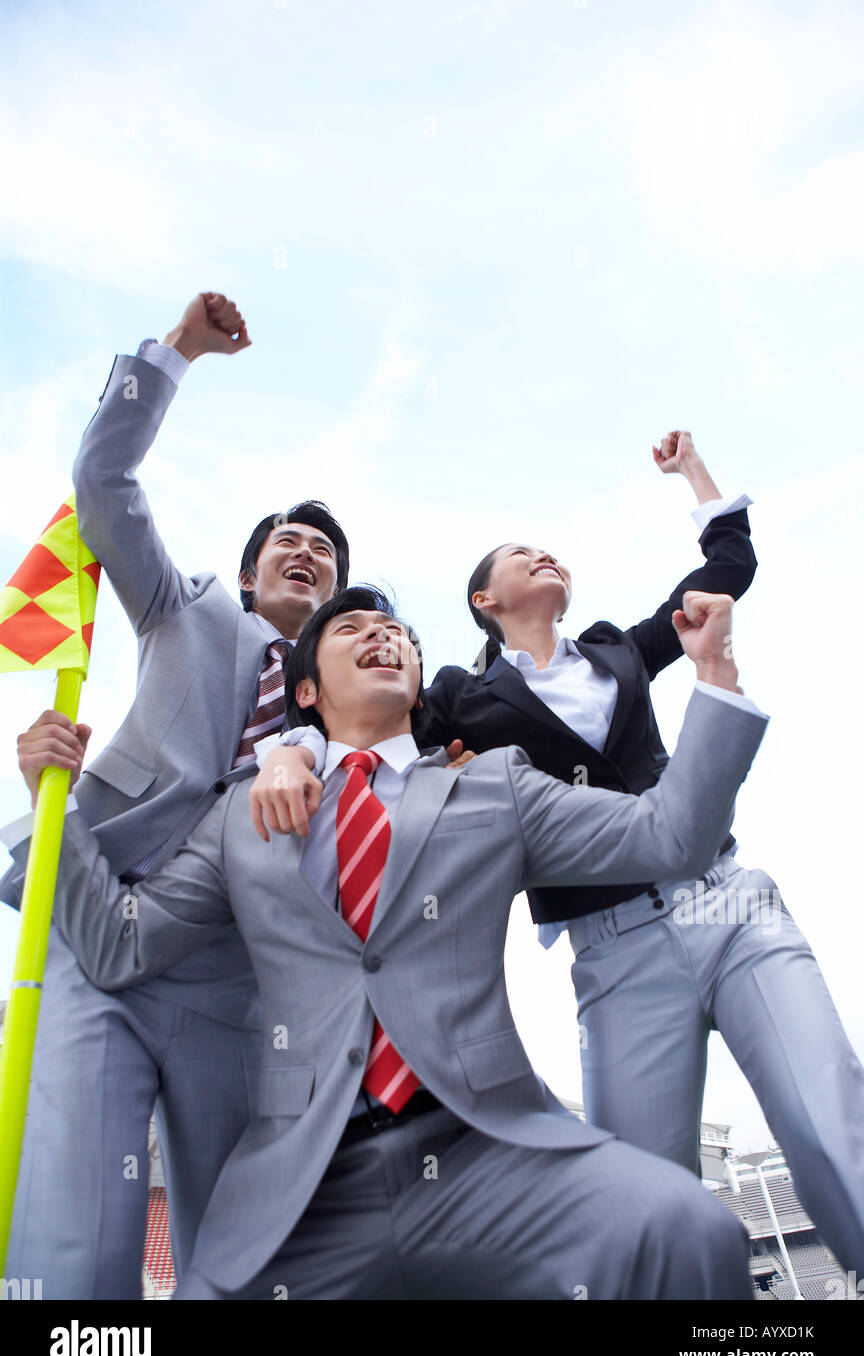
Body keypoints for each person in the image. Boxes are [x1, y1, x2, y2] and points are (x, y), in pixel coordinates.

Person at [7, 583, 768, 1299]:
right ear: (304, 694)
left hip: (488, 1150)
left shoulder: (496, 785)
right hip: (305, 1189)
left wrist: (715, 674)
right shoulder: (241, 817)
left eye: (398, 632)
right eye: (351, 628)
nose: (383, 635)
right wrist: (59, 804)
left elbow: (672, 837)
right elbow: (120, 944)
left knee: (691, 1233)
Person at [252, 431, 864, 1275]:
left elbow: (730, 566)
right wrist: (290, 750)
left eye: (546, 550)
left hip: (723, 900)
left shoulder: (621, 649)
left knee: (832, 1122)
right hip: (613, 950)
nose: (542, 555)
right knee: (646, 1202)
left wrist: (692, 472)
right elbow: (361, 723)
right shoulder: (461, 698)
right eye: (517, 554)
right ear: (482, 599)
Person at [0, 292, 350, 1298]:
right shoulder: (187, 609)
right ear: (245, 578)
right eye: (286, 541)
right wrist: (180, 351)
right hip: (91, 922)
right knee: (73, 1249)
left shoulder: (357, 711)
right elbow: (102, 482)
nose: (305, 552)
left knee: (235, 1255)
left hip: (233, 987)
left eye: (324, 552)